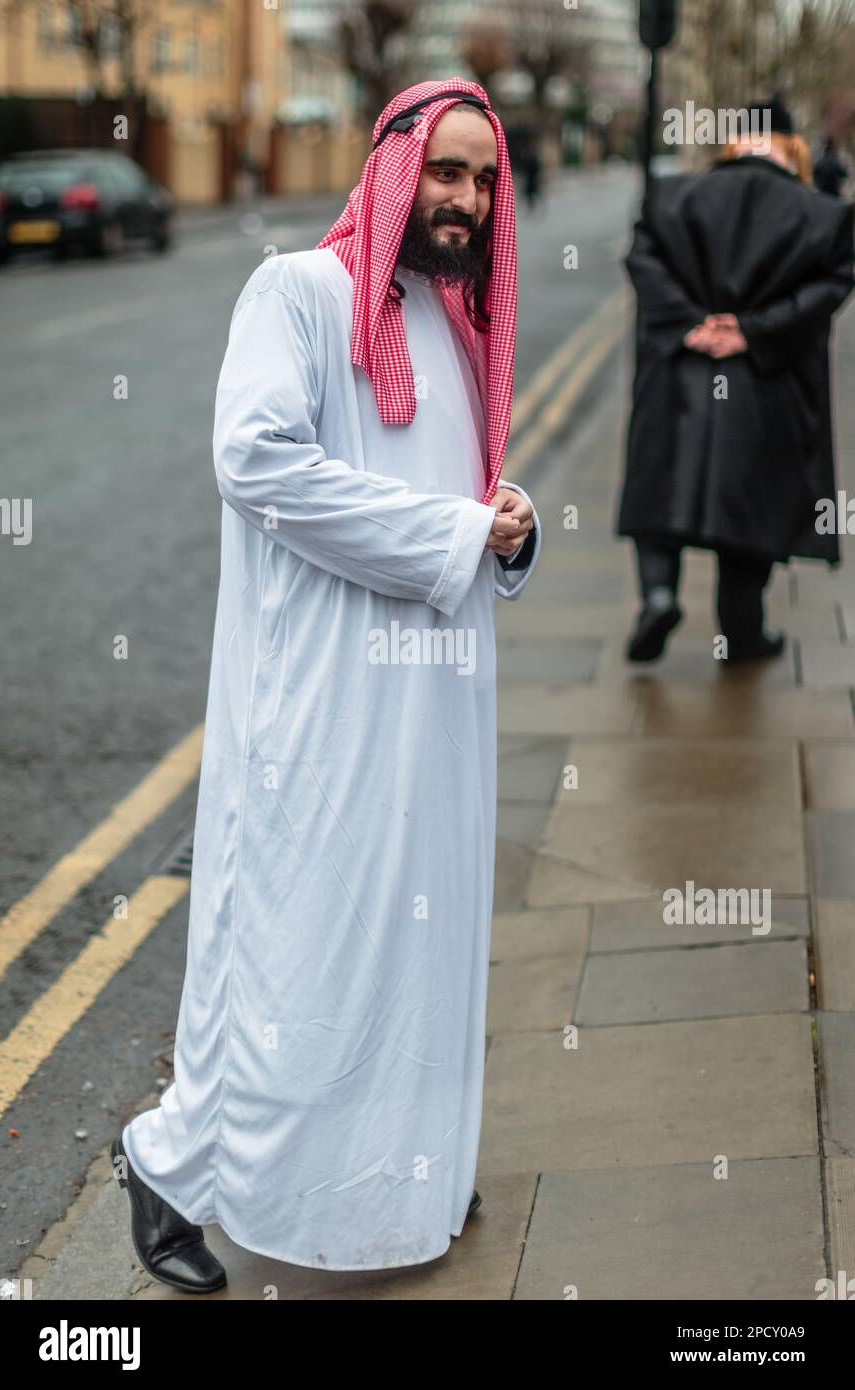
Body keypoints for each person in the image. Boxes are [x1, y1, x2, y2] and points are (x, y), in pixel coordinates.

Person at [112, 77, 541, 1290]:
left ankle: (402, 1174)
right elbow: (256, 462)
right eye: (444, 172)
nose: (462, 198)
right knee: (292, 946)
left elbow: (463, 506)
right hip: (319, 703)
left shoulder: (457, 333)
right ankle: (169, 1161)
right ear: (395, 166)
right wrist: (453, 537)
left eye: (480, 179)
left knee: (417, 949)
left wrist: (506, 523)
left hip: (436, 704)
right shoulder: (296, 293)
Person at [616, 96, 855, 663]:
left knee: (660, 491)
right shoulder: (822, 212)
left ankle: (657, 597)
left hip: (679, 373)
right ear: (790, 146)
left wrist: (690, 324)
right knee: (751, 507)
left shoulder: (671, 196)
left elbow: (642, 260)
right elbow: (831, 287)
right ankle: (742, 636)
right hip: (763, 384)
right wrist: (754, 330)